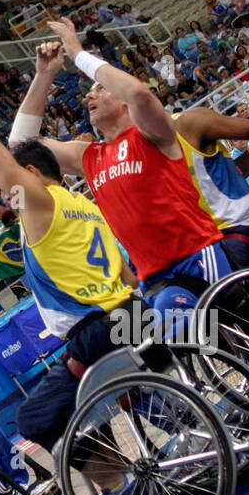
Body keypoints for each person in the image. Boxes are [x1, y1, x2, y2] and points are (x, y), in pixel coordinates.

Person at [0, 39, 145, 456]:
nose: (1, 194)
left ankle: (118, 477)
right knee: (115, 387)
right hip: (134, 315)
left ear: (31, 173)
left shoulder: (36, 201)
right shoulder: (86, 206)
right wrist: (43, 75)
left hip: (96, 331)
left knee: (34, 420)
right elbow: (127, 274)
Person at [37, 21, 235, 320]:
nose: (88, 97)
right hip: (151, 276)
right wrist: (44, 75)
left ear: (123, 102)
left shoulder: (152, 133)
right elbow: (20, 146)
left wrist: (78, 54)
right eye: (88, 93)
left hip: (195, 254)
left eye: (100, 89)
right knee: (187, 343)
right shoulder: (87, 155)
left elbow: (140, 95)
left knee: (247, 327)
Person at [172, 107, 249, 269]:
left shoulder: (189, 123)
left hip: (243, 221)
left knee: (218, 273)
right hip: (210, 238)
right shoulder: (145, 159)